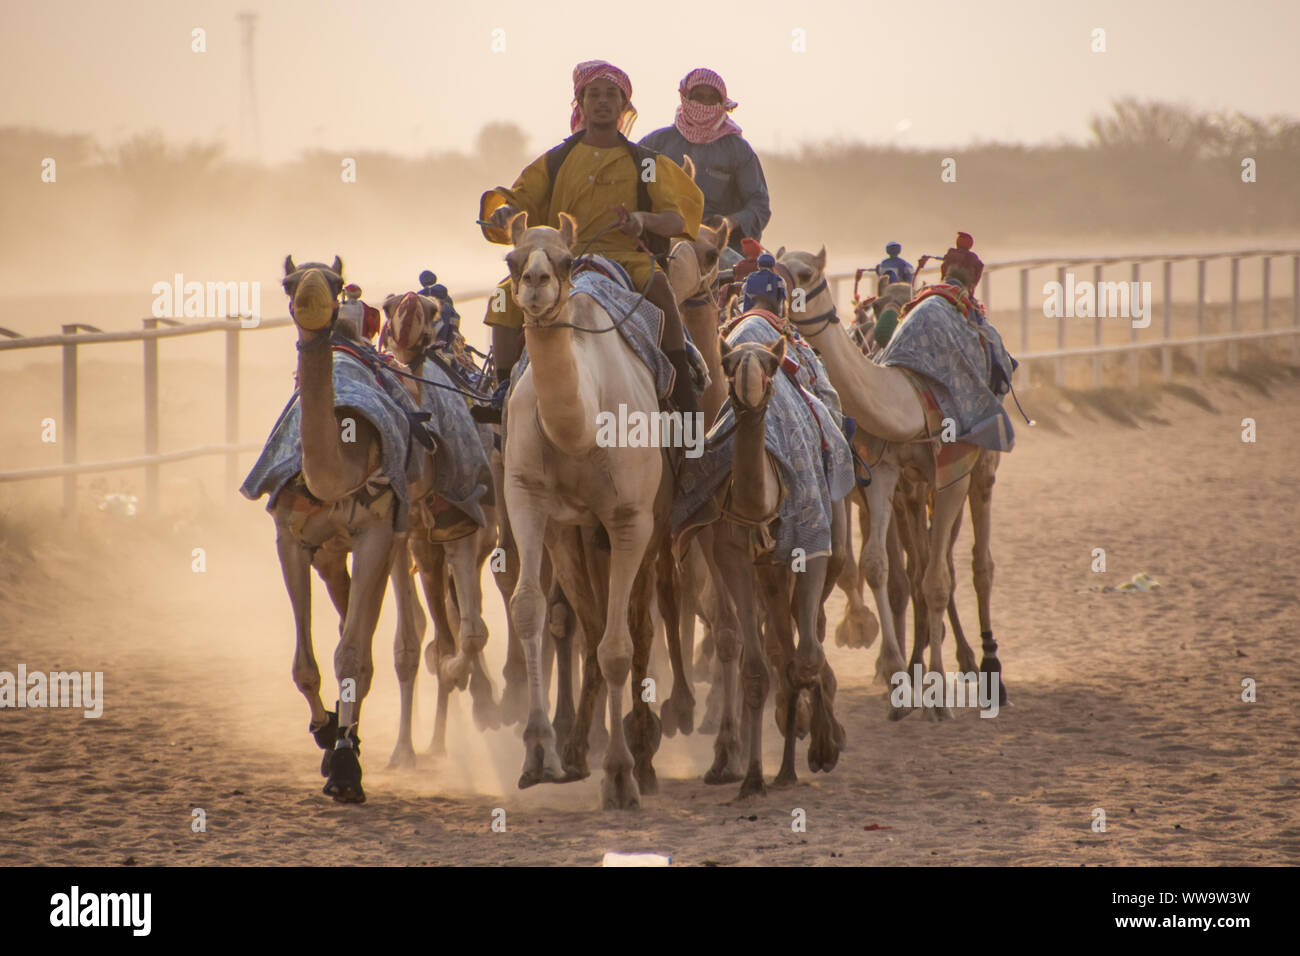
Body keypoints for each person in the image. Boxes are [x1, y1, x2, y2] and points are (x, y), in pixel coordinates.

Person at [478, 59, 703, 413]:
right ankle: (502, 391)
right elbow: (516, 199)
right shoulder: (557, 160)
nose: (602, 101)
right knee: (505, 296)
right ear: (579, 104)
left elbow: (677, 220)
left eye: (611, 95)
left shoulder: (644, 162)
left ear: (624, 105)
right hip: (563, 259)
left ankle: (684, 399)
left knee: (660, 290)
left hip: (626, 258)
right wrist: (501, 212)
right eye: (593, 94)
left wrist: (642, 221)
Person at [639, 68, 770, 265]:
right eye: (698, 97)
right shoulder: (654, 145)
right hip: (662, 241)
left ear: (721, 103)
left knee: (755, 282)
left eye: (711, 99)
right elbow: (640, 188)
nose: (704, 104)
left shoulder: (737, 150)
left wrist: (730, 222)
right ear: (685, 98)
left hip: (719, 246)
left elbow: (759, 204)